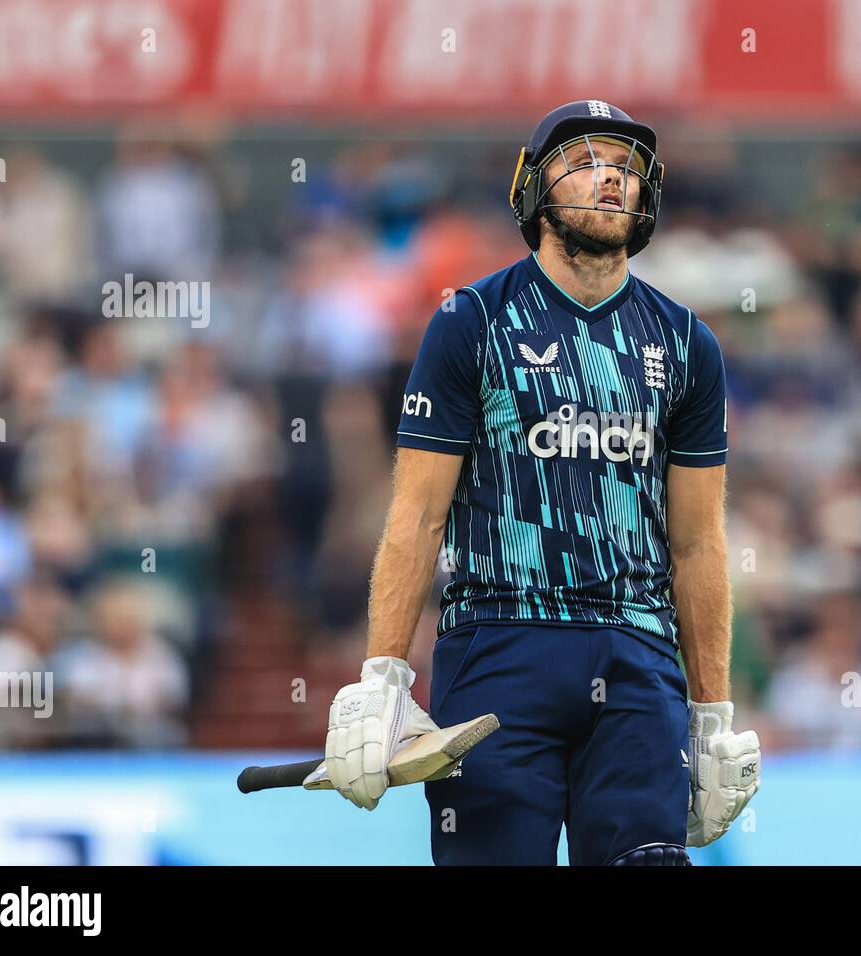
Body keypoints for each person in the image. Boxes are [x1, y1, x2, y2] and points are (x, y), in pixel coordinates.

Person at [323, 100, 760, 865]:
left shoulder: (690, 344)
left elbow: (698, 545)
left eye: (625, 167)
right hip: (499, 644)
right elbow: (418, 516)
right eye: (584, 161)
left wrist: (712, 714)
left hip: (639, 656)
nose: (609, 179)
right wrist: (382, 679)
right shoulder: (471, 321)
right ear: (533, 186)